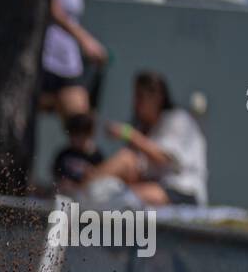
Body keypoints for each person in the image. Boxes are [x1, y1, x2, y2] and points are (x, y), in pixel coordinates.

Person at [86, 71, 208, 206]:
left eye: (140, 96)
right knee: (123, 169)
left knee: (120, 197)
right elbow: (135, 167)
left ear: (158, 97)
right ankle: (83, 189)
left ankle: (81, 196)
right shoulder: (144, 126)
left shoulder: (178, 119)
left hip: (183, 190)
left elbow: (163, 158)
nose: (135, 103)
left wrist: (129, 134)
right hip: (154, 186)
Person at [38, 0, 107, 123]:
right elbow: (54, 12)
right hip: (44, 60)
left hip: (67, 63)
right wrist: (85, 41)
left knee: (80, 125)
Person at [52, 112, 103, 193]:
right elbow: (55, 175)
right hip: (66, 194)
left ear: (89, 134)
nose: (74, 139)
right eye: (72, 135)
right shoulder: (64, 154)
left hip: (85, 197)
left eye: (79, 135)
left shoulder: (97, 156)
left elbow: (100, 180)